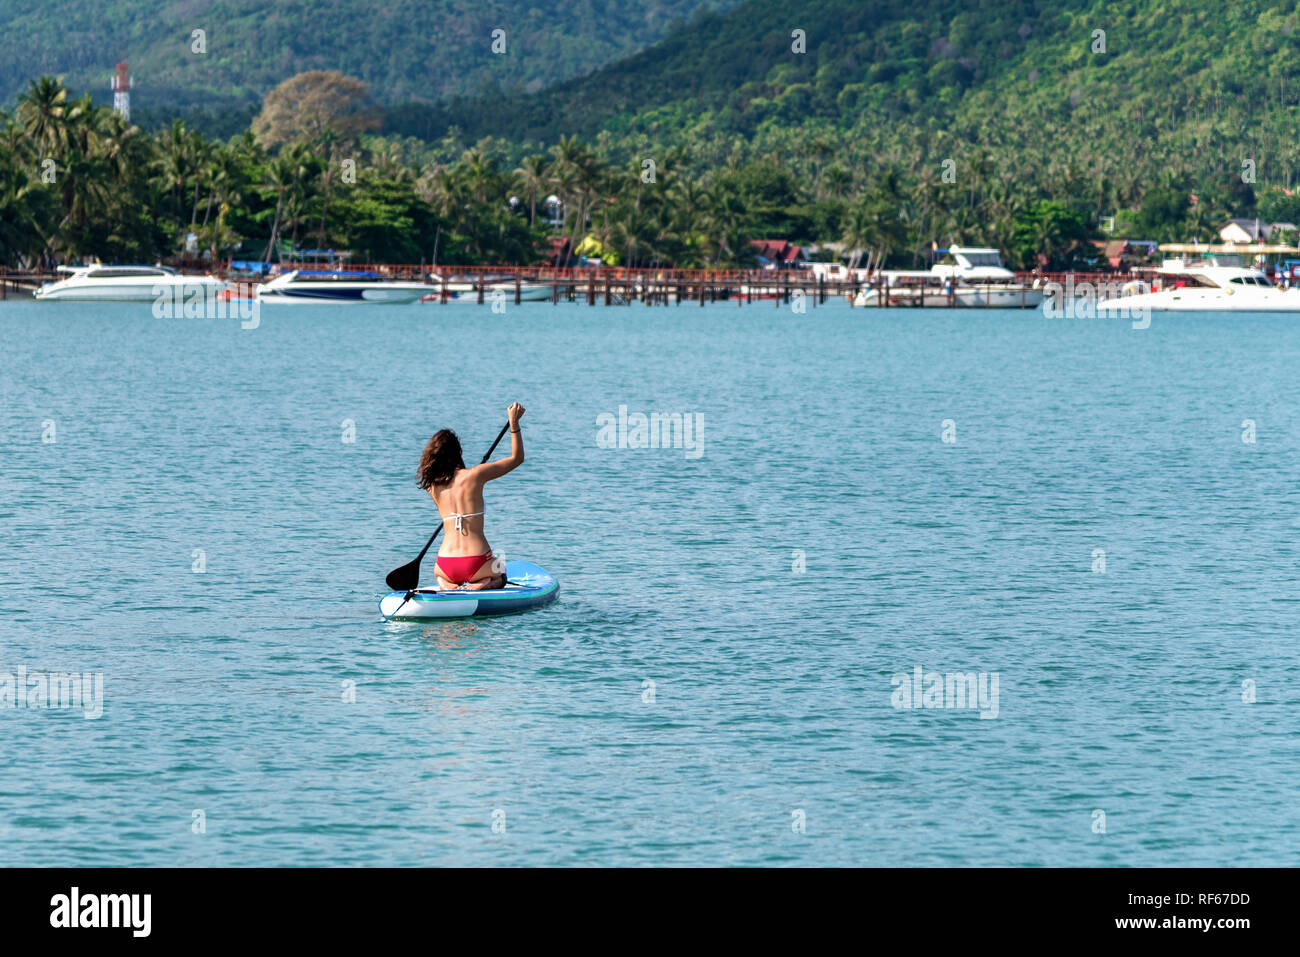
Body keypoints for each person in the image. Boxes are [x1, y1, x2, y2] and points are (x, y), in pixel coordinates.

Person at [416, 403, 525, 590]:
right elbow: (516, 459)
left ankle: (445, 583)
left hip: (445, 563)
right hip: (477, 561)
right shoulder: (475, 475)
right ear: (457, 453)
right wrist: (513, 424)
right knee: (501, 570)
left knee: (440, 573)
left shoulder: (432, 487)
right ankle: (484, 584)